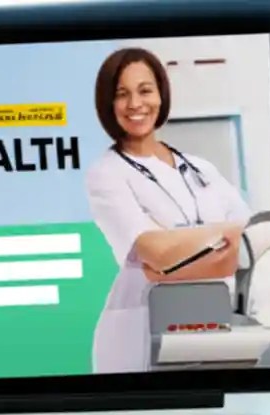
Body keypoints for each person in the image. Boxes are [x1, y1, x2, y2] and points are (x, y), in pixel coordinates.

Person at [84, 46, 253, 373]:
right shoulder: (106, 173)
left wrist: (181, 249)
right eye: (122, 94)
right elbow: (156, 255)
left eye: (145, 90)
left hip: (212, 323)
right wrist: (223, 244)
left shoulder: (200, 167)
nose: (135, 104)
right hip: (140, 336)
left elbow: (253, 240)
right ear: (108, 103)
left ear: (161, 95)